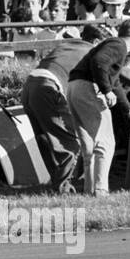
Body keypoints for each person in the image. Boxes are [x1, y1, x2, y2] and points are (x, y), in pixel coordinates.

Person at [66, 20, 130, 195]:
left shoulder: (113, 47)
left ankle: (90, 190)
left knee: (89, 144)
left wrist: (129, 110)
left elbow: (116, 83)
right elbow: (99, 61)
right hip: (88, 88)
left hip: (74, 87)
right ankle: (100, 190)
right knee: (105, 141)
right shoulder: (119, 45)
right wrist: (106, 90)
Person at [22, 38, 92, 193]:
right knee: (68, 140)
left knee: (45, 139)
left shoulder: (67, 45)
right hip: (48, 86)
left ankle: (58, 183)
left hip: (30, 84)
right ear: (96, 40)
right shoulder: (92, 50)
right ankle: (63, 187)